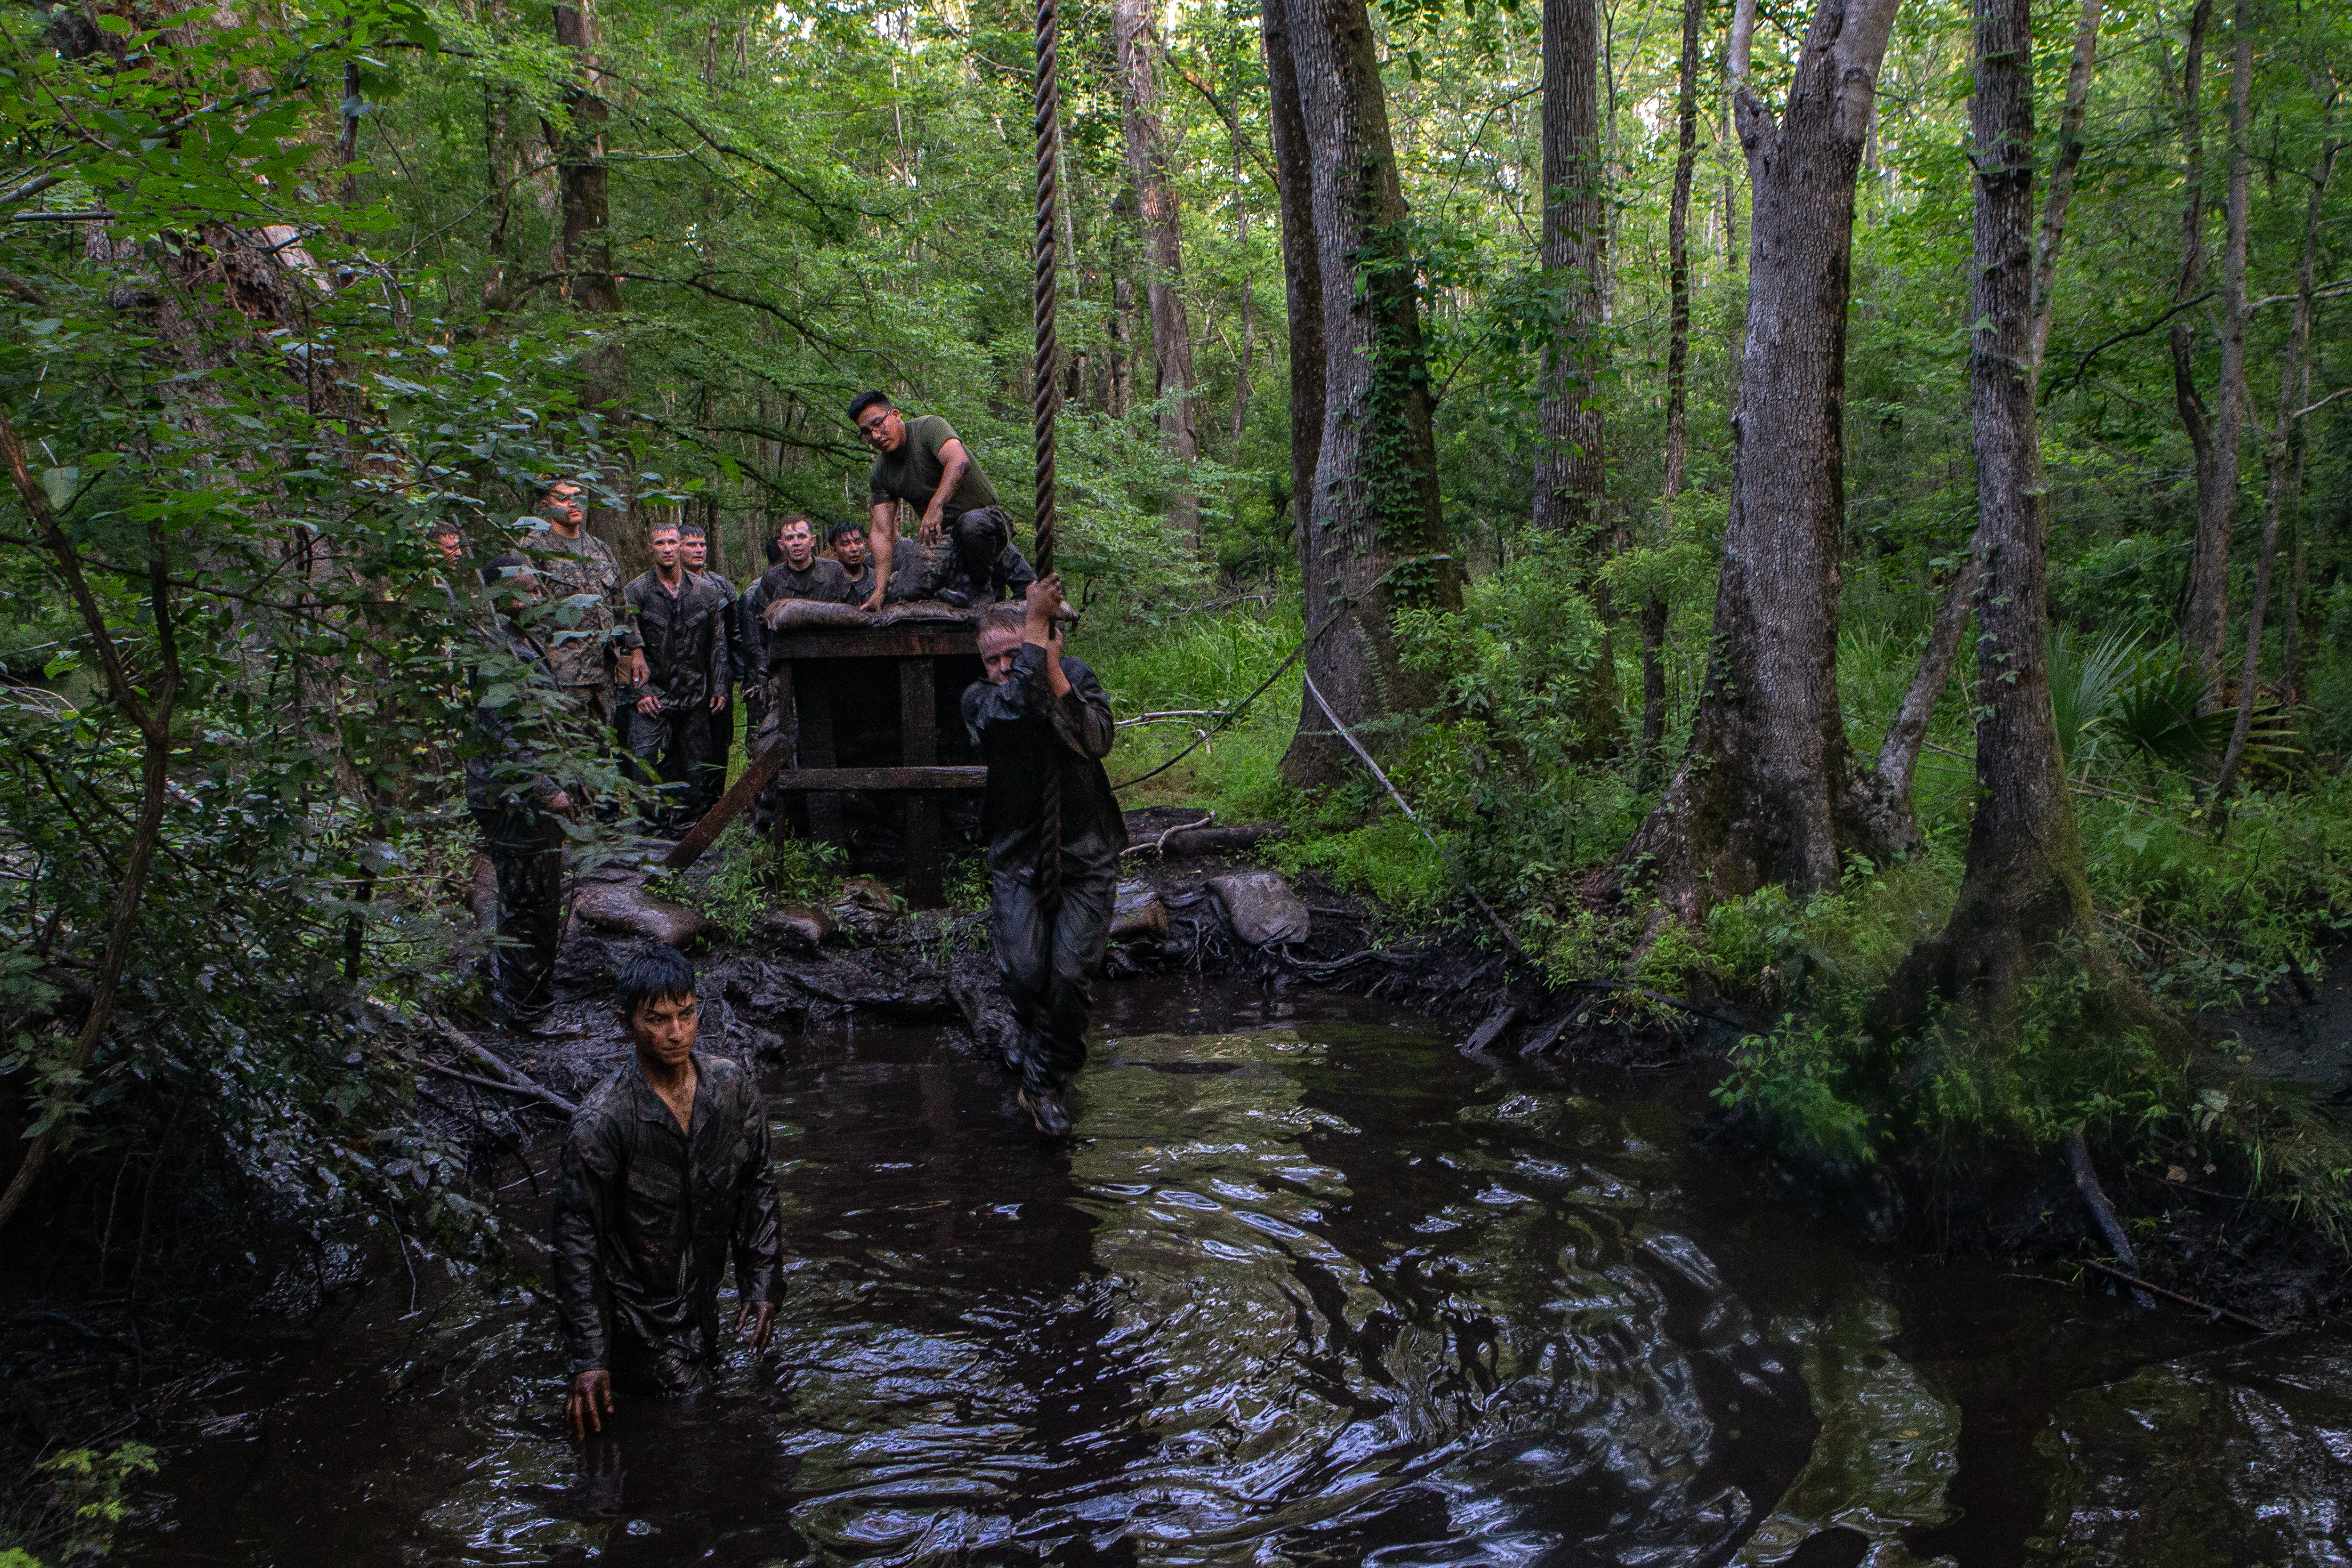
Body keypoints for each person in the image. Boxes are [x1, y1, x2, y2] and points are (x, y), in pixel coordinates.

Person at [555, 947, 782, 1432]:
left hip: (702, 1310)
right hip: (638, 1326)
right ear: (627, 1022)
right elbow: (578, 1242)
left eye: (686, 1014)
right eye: (658, 1020)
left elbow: (757, 1187)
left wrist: (762, 1284)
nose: (677, 1033)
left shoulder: (731, 1089)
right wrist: (589, 1359)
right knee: (701, 1423)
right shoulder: (603, 1122)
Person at [961, 578, 1124, 1135]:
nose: (1004, 666)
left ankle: (1044, 1083)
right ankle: (1043, 1046)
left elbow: (1097, 741)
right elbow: (1013, 709)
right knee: (1026, 974)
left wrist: (1052, 667)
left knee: (1070, 972)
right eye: (993, 660)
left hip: (1087, 851)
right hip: (1018, 856)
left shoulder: (1073, 674)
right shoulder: (980, 700)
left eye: (1013, 653)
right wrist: (1034, 633)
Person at [465, 555, 576, 1025]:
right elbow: (507, 736)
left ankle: (528, 1000)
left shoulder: (523, 640)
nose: (536, 594)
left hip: (527, 797)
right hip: (512, 800)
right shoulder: (497, 651)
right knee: (528, 905)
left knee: (537, 902)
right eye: (526, 588)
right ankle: (527, 1012)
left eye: (535, 586)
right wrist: (547, 790)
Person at [851, 391, 1008, 613]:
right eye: (867, 432)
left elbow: (959, 462)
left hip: (986, 520)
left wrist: (936, 506)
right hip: (942, 536)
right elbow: (881, 532)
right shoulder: (881, 472)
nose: (875, 435)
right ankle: (949, 597)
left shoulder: (929, 428)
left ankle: (981, 591)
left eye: (878, 424)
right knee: (904, 591)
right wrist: (880, 591)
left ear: (895, 415)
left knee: (970, 525)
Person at [620, 519, 729, 830]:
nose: (667, 549)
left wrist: (719, 685)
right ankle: (647, 825)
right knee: (643, 760)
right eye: (660, 543)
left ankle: (687, 822)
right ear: (649, 548)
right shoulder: (636, 592)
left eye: (672, 542)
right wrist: (641, 693)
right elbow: (624, 647)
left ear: (681, 546)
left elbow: (717, 643)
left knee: (695, 762)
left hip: (694, 692)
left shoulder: (706, 592)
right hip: (654, 692)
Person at [522, 478, 646, 724]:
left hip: (603, 672)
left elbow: (620, 605)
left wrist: (636, 651)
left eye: (577, 496)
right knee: (567, 742)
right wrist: (536, 669)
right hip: (562, 675)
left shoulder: (599, 549)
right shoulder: (533, 549)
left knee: (603, 742)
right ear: (546, 505)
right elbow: (526, 613)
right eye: (563, 498)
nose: (573, 503)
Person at [678, 521, 738, 814]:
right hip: (683, 679)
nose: (699, 550)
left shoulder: (722, 587)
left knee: (719, 743)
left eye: (702, 544)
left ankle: (715, 807)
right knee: (687, 747)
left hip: (719, 677)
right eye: (692, 545)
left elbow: (734, 636)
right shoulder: (670, 586)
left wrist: (735, 675)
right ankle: (686, 808)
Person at [828, 520, 875, 605]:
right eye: (846, 544)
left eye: (858, 542)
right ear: (834, 550)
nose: (854, 549)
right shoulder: (829, 583)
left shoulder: (878, 580)